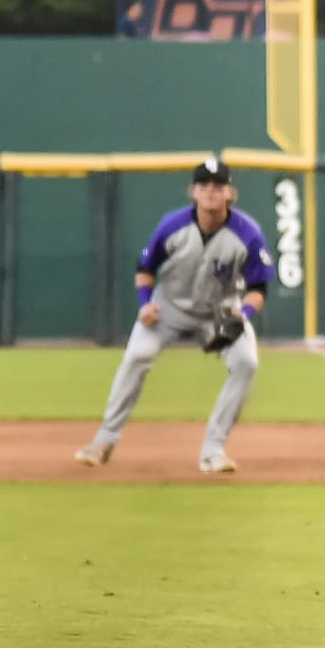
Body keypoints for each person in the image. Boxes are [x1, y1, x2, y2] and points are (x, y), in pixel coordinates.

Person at [74, 158, 274, 474]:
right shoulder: (172, 226)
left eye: (218, 185)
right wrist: (145, 304)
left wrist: (243, 315)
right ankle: (104, 440)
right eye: (204, 185)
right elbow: (145, 269)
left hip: (220, 311)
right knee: (136, 356)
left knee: (246, 362)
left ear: (229, 193)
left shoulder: (247, 233)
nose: (211, 191)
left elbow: (259, 287)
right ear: (193, 191)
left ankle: (213, 450)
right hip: (169, 307)